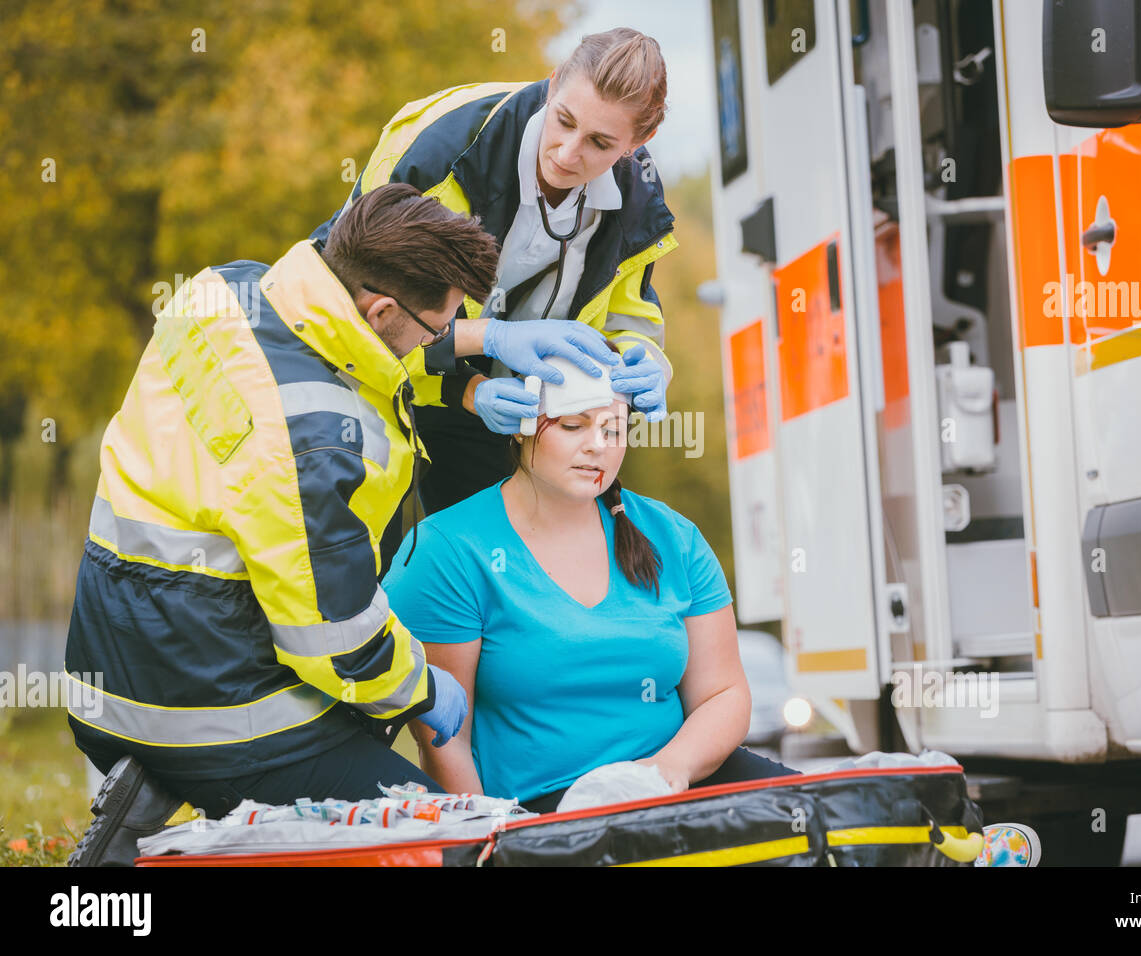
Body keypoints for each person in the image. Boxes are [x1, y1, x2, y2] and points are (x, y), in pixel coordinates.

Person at [65, 183, 621, 865]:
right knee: (450, 845)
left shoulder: (226, 290)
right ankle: (192, 806)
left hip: (112, 661)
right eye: (439, 328)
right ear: (381, 308)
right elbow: (336, 645)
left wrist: (468, 385)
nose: (444, 340)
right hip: (210, 709)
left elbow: (350, 348)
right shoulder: (314, 437)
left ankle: (157, 788)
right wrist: (419, 687)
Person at [382, 350, 798, 813]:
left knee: (830, 818)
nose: (597, 446)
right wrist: (493, 837)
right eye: (572, 425)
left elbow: (724, 693)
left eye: (613, 429)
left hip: (676, 781)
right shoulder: (448, 550)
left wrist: (662, 774)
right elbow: (445, 743)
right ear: (520, 426)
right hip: (542, 809)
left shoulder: (673, 537)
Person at [313, 27, 678, 516]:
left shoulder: (639, 200)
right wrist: (477, 365)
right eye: (564, 120)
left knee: (497, 561)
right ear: (552, 84)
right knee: (367, 548)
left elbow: (629, 319)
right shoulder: (438, 155)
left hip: (513, 412)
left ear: (639, 141)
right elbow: (360, 322)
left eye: (599, 142)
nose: (568, 154)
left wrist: (645, 361)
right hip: (374, 382)